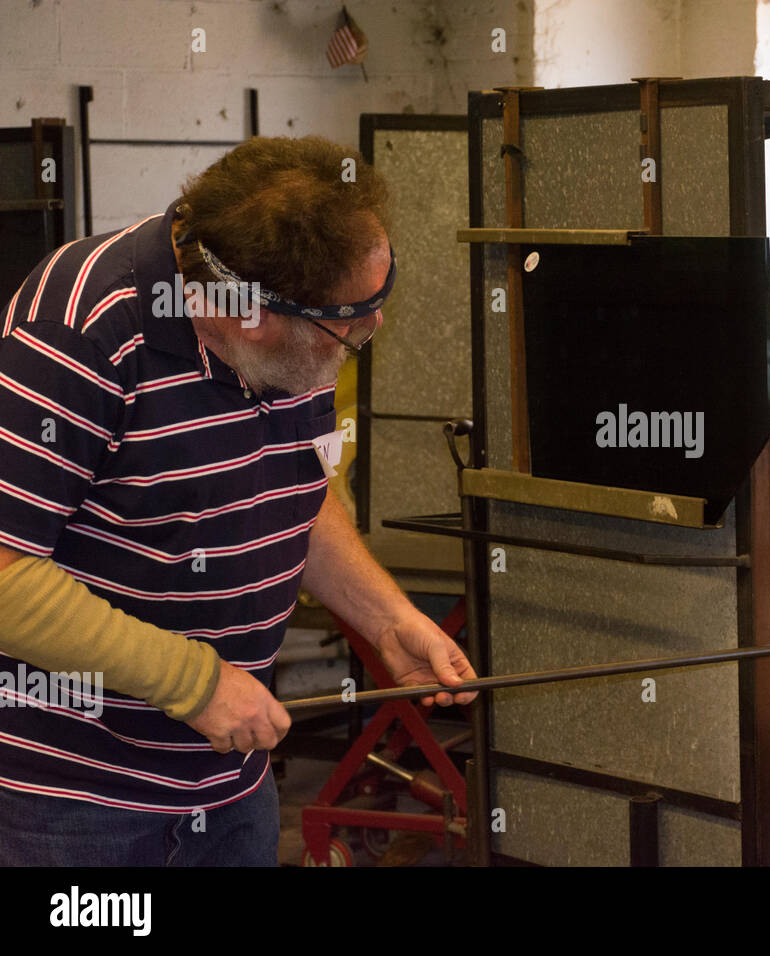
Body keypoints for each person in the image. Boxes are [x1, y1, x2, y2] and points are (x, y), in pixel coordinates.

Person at [0, 135, 476, 865]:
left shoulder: (287, 346)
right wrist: (190, 683)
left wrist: (387, 619)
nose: (372, 328)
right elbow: (5, 574)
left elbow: (292, 495)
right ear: (251, 313)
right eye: (352, 320)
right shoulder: (78, 326)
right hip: (74, 802)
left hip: (231, 783)